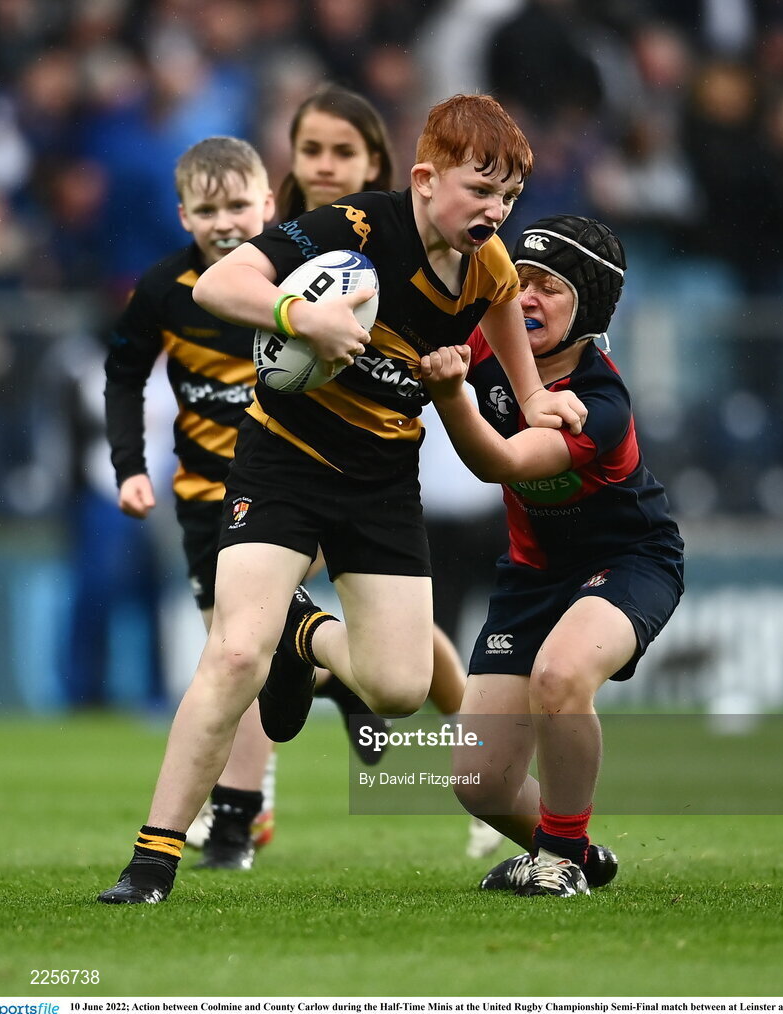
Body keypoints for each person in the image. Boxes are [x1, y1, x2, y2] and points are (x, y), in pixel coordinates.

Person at [97, 93, 587, 905]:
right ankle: (153, 860)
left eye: (508, 197)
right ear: (425, 179)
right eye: (480, 189)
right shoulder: (358, 227)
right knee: (234, 653)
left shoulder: (489, 264)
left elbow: (512, 341)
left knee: (396, 690)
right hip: (281, 463)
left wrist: (537, 402)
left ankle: (309, 641)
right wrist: (303, 316)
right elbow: (223, 282)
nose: (495, 211)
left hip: (384, 484)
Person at [103, 135, 382, 873]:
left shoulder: (299, 279)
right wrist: (131, 466)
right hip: (203, 501)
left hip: (286, 489)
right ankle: (343, 676)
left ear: (267, 203)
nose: (225, 222)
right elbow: (124, 373)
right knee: (241, 652)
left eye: (238, 206)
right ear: (182, 213)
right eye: (207, 209)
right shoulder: (166, 288)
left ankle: (234, 823)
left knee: (238, 651)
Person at [420, 215, 685, 897]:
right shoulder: (487, 346)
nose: (527, 299)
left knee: (560, 677)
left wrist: (450, 396)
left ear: (588, 308)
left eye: (549, 288)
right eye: (519, 284)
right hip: (533, 574)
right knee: (481, 785)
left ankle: (560, 858)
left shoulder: (600, 404)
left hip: (631, 561)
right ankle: (580, 854)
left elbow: (501, 462)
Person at [279, 81, 502, 857]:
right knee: (240, 627)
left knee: (417, 648)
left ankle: (482, 778)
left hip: (394, 470)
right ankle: (237, 809)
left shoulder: (431, 244)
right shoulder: (295, 245)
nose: (327, 166)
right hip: (300, 464)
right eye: (312, 150)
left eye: (345, 152)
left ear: (383, 165)